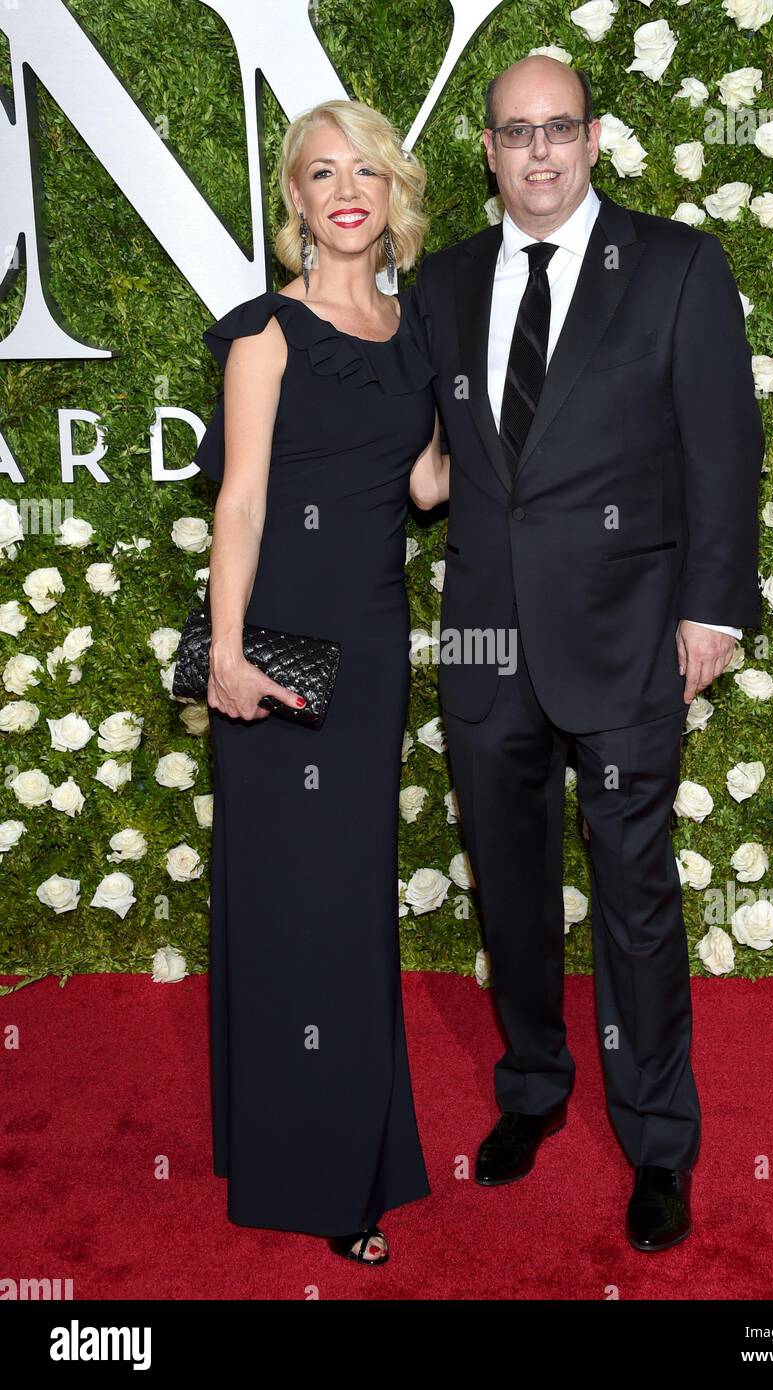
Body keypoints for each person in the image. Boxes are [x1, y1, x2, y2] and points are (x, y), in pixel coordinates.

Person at [407, 55, 763, 1252]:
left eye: (559, 128)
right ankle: (530, 1089)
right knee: (506, 889)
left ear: (594, 137)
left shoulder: (672, 265)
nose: (540, 153)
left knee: (636, 901)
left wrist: (710, 613)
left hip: (625, 639)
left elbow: (723, 447)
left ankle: (659, 1142)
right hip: (483, 638)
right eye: (517, 133)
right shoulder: (444, 281)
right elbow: (418, 456)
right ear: (490, 149)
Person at [194, 98, 442, 1265]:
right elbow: (239, 501)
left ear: (391, 193)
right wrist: (228, 651)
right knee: (292, 903)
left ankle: (350, 1148)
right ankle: (320, 1173)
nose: (345, 188)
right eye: (319, 171)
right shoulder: (264, 334)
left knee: (346, 905)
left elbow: (432, 486)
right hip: (279, 650)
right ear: (293, 200)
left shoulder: (413, 328)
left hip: (375, 647)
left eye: (366, 169)